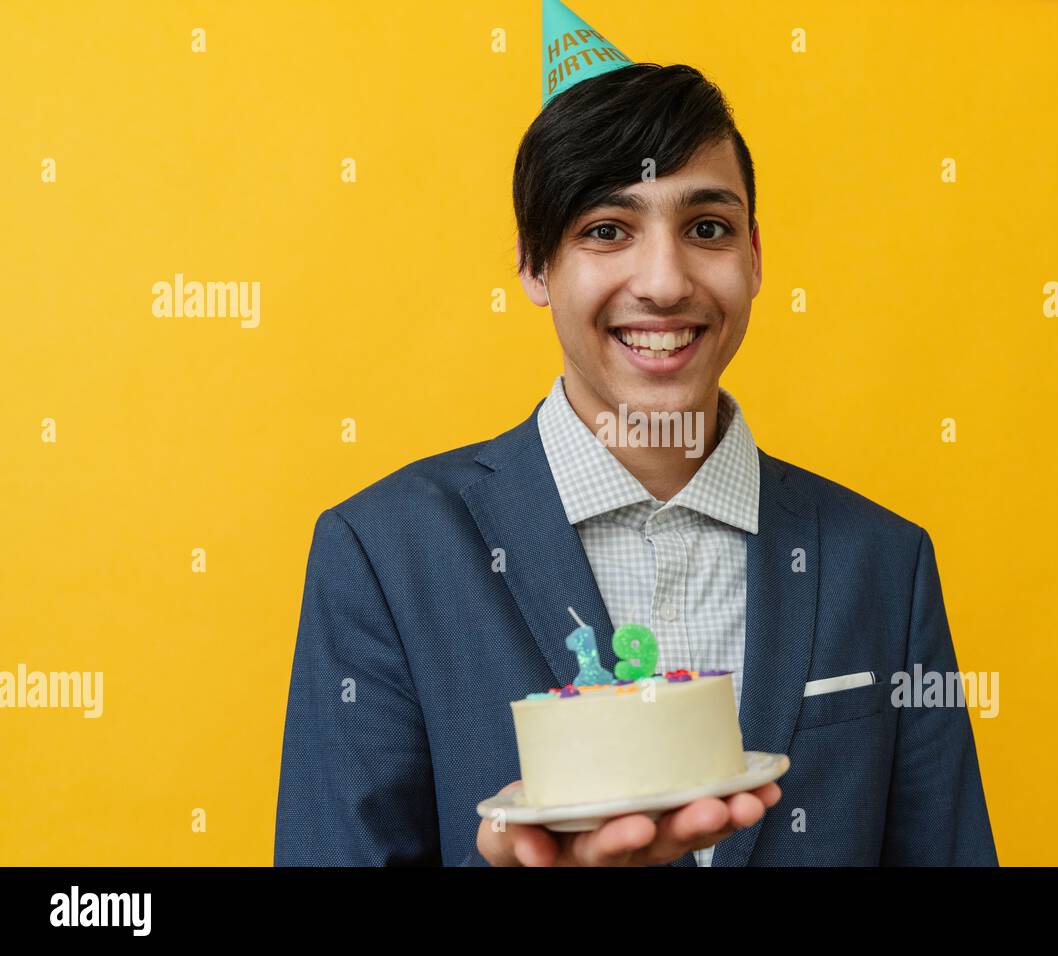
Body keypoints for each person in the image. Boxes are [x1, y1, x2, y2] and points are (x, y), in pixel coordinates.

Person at [274, 0, 997, 867]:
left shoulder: (884, 563)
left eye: (707, 229)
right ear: (535, 266)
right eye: (607, 231)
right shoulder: (384, 554)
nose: (663, 282)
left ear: (756, 258)